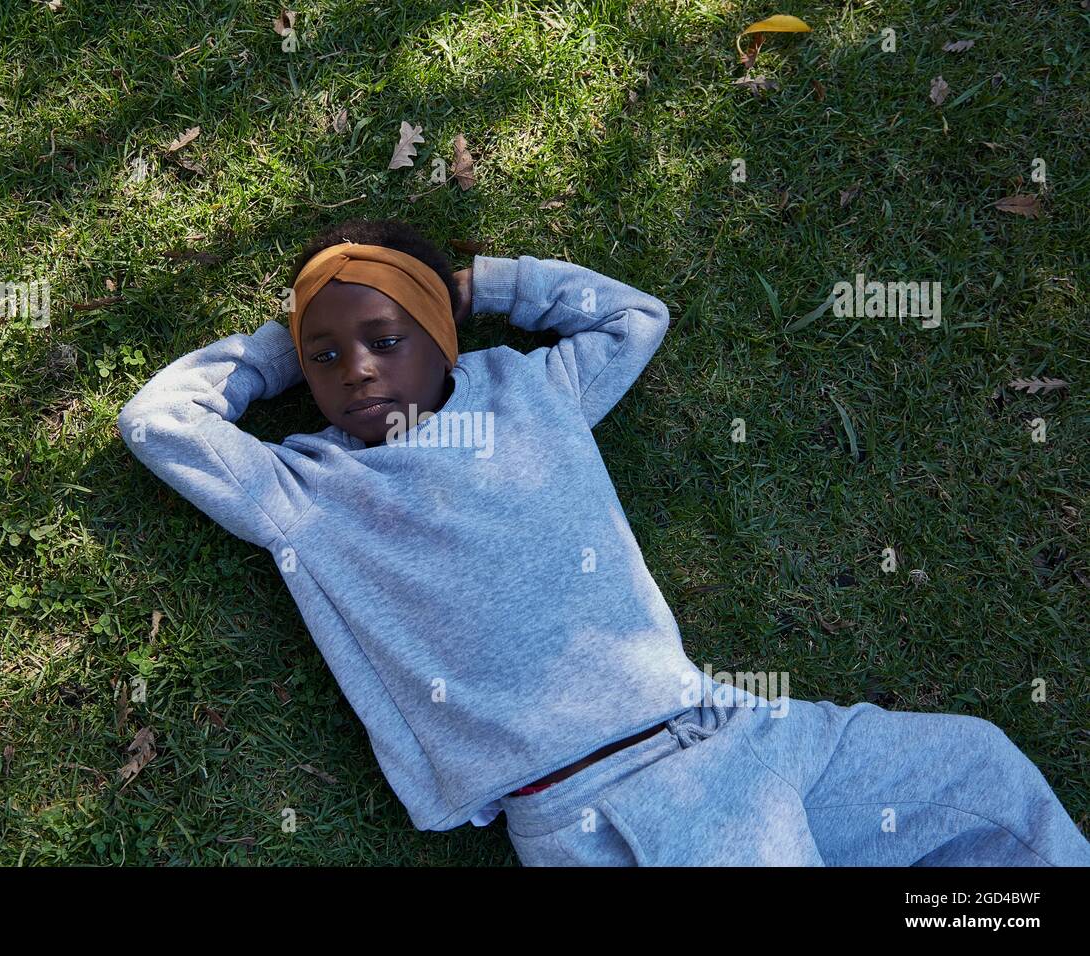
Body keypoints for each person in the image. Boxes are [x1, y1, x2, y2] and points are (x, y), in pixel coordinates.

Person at [117, 217, 1090, 865]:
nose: (356, 370)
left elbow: (633, 317)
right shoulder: (303, 489)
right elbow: (160, 420)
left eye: (384, 335)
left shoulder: (532, 391)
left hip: (729, 727)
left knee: (982, 778)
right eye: (325, 356)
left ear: (442, 333)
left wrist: (481, 283)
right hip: (609, 800)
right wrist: (284, 340)